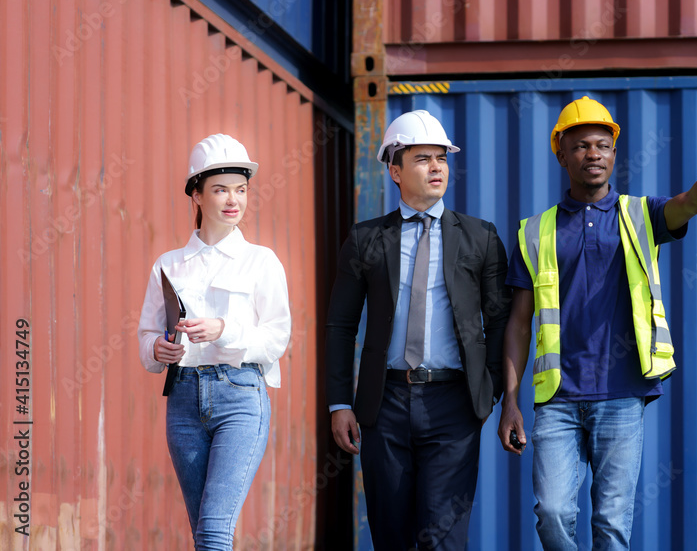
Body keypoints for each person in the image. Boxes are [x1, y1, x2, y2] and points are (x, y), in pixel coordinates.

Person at [498, 96, 697, 550]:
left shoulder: (640, 215)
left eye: (603, 145)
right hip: (558, 398)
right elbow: (519, 324)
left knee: (611, 524)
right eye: (581, 146)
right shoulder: (534, 231)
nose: (593, 154)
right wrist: (510, 401)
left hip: (623, 393)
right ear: (562, 155)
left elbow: (691, 203)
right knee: (552, 514)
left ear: (614, 154)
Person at [325, 110, 512, 550]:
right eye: (423, 159)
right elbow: (340, 325)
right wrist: (340, 402)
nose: (436, 168)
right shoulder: (366, 239)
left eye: (441, 158)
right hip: (384, 404)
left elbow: (500, 319)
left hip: (454, 404)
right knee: (392, 537)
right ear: (395, 171)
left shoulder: (481, 237)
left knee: (444, 540)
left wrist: (488, 391)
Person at [137, 133, 291, 551]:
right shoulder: (168, 265)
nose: (233, 200)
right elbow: (147, 336)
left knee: (213, 530)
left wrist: (226, 329)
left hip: (240, 397)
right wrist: (157, 349)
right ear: (197, 195)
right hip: (183, 402)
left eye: (241, 189)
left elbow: (276, 338)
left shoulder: (262, 262)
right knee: (203, 532)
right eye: (221, 189)